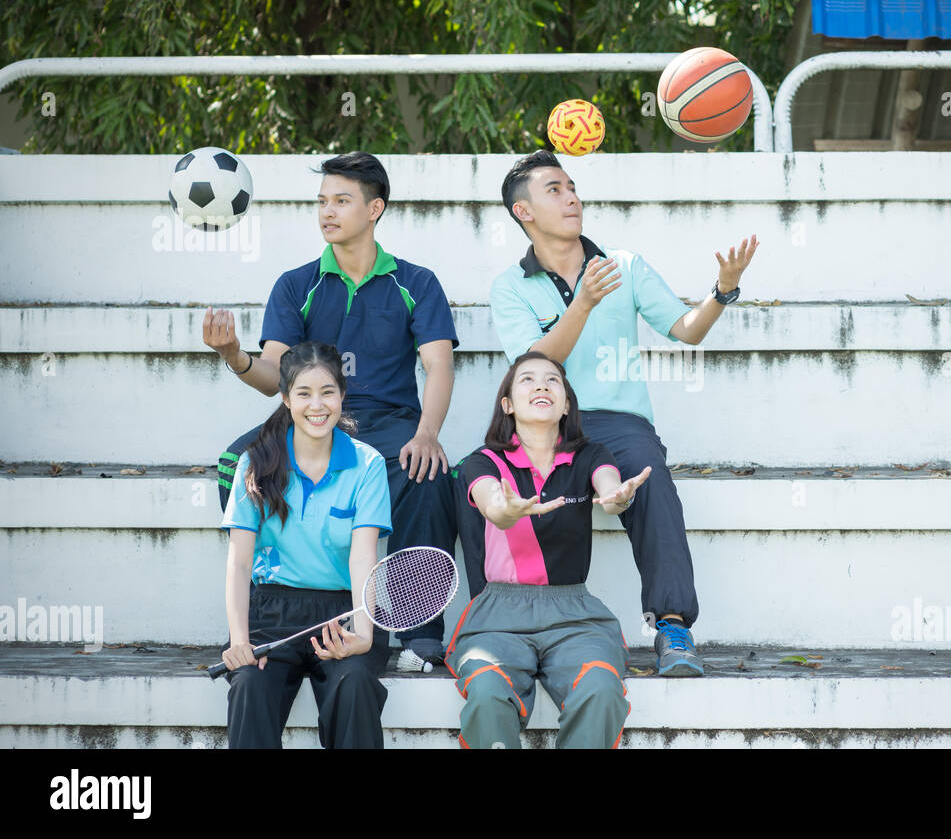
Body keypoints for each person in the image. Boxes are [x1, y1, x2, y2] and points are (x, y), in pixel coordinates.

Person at [489, 150, 759, 676]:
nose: (571, 197)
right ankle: (499, 627)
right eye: (554, 190)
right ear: (523, 212)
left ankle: (674, 629)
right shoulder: (509, 286)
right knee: (477, 483)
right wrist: (582, 304)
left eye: (573, 187)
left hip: (617, 422)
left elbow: (687, 329)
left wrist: (723, 290)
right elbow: (537, 367)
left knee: (652, 480)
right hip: (543, 424)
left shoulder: (624, 265)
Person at [204, 151, 458, 672]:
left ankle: (416, 631)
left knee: (429, 471)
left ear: (375, 209)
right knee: (236, 463)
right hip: (311, 414)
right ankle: (265, 611)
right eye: (322, 201)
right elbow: (275, 374)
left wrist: (428, 432)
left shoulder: (417, 282)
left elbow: (439, 365)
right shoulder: (296, 284)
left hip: (387, 419)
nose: (327, 211)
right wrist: (234, 356)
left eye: (341, 200)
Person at [446, 352, 648, 748]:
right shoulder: (483, 461)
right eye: (527, 380)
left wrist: (617, 497)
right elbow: (493, 505)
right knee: (488, 693)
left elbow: (609, 488)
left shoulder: (591, 454)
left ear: (567, 402)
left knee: (601, 690)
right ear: (507, 404)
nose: (541, 385)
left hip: (574, 616)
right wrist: (507, 511)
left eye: (552, 380)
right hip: (498, 618)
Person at [219, 341, 393, 749]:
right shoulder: (255, 463)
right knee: (249, 683)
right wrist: (240, 641)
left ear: (342, 395)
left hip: (345, 611)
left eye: (328, 392)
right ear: (285, 398)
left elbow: (364, 556)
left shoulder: (367, 465)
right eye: (304, 393)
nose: (318, 405)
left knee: (354, 684)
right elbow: (239, 564)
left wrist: (364, 634)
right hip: (271, 613)